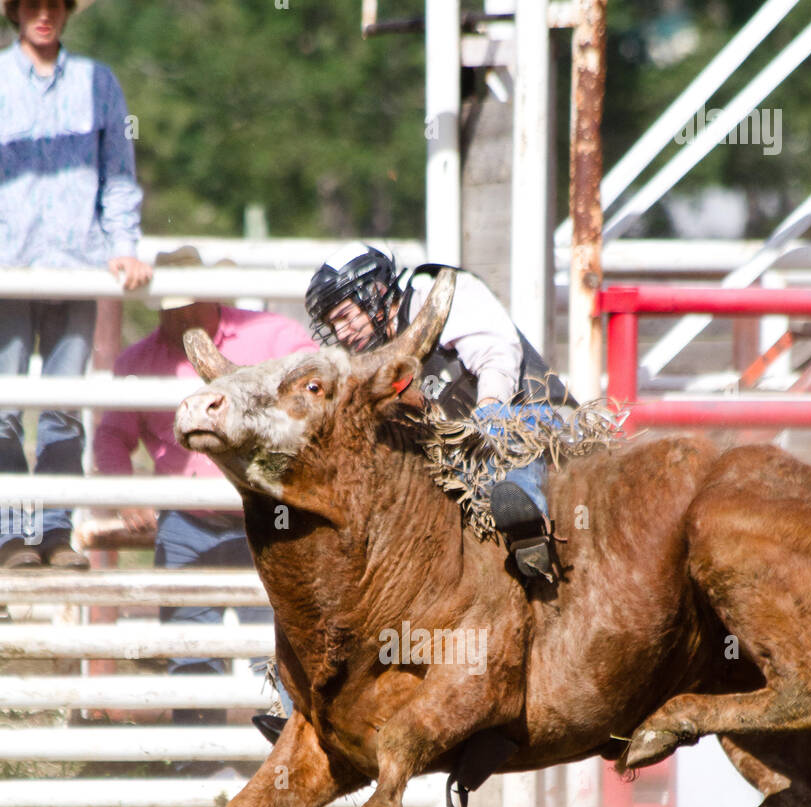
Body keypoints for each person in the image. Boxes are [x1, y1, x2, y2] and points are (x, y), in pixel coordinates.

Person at [93, 246, 314, 754]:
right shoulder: (138, 361)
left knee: (285, 640)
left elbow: (315, 388)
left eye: (187, 303)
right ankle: (197, 763)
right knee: (191, 646)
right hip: (188, 519)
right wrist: (126, 493)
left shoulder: (272, 336)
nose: (178, 314)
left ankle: (292, 762)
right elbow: (111, 438)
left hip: (267, 511)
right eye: (170, 305)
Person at [305, 242, 574, 583]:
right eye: (332, 325)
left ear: (374, 290)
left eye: (344, 317)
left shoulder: (439, 295)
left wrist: (489, 413)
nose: (341, 332)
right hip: (460, 456)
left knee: (504, 437)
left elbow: (495, 355)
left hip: (532, 416)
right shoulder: (377, 358)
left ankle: (527, 527)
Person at [0, 0, 152, 569]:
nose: (44, 15)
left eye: (53, 5)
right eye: (32, 5)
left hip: (76, 261)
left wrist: (124, 248)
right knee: (6, 407)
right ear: (15, 13)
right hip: (8, 268)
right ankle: (13, 536)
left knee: (63, 407)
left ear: (65, 12)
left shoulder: (97, 81)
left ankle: (56, 533)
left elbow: (118, 173)